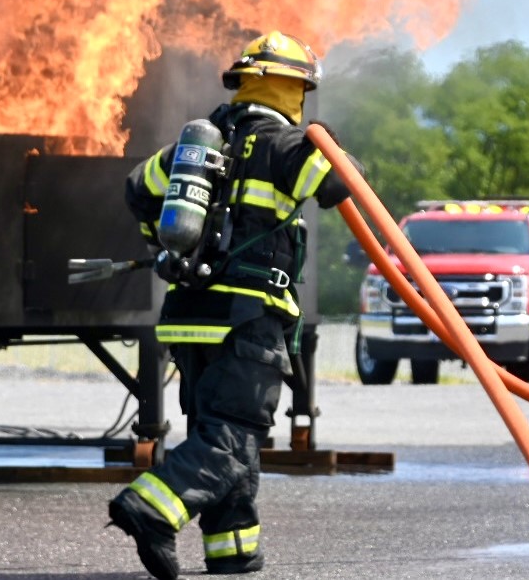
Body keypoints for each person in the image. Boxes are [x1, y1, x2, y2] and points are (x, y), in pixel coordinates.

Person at [108, 31, 355, 580]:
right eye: (301, 91)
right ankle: (151, 506)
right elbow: (340, 182)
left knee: (220, 433)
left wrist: (160, 241)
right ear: (292, 88)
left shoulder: (198, 146)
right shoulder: (285, 145)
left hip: (191, 316)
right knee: (233, 436)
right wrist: (328, 142)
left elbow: (137, 189)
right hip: (248, 317)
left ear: (242, 84)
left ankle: (233, 553)